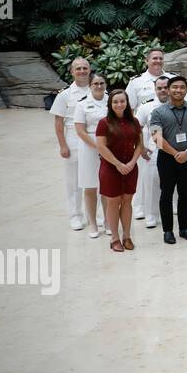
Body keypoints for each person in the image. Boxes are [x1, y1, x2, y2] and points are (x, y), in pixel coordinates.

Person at [151, 76, 187, 245]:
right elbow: (157, 137)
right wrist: (175, 154)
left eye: (182, 87)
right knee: (166, 194)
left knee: (185, 193)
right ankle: (167, 231)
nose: (178, 90)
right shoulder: (157, 112)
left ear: (186, 90)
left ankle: (184, 228)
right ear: (168, 89)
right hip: (167, 158)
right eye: (174, 87)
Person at [95, 87, 142, 252]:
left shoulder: (134, 122)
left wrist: (131, 163)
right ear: (110, 104)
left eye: (122, 101)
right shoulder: (103, 123)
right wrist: (118, 164)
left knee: (127, 202)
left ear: (127, 103)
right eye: (115, 101)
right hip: (110, 168)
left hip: (130, 168)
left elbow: (140, 145)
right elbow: (101, 147)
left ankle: (127, 236)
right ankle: (114, 238)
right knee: (113, 202)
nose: (119, 104)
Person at [51, 56, 93, 231]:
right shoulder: (65, 95)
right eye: (78, 68)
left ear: (89, 70)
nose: (82, 71)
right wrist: (62, 145)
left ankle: (95, 216)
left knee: (94, 180)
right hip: (73, 140)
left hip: (95, 141)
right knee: (73, 181)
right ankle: (75, 215)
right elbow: (58, 122)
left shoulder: (98, 90)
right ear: (71, 72)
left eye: (85, 68)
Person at [72, 73, 110, 238]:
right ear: (90, 85)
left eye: (102, 83)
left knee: (107, 186)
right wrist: (98, 146)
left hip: (110, 145)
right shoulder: (82, 104)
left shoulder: (111, 100)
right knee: (90, 186)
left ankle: (108, 221)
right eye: (95, 83)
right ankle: (93, 223)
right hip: (89, 147)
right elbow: (80, 130)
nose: (99, 86)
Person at [134, 75, 169, 230]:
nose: (163, 90)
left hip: (174, 151)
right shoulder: (146, 107)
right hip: (154, 151)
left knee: (175, 184)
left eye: (165, 87)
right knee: (152, 185)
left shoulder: (177, 104)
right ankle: (151, 215)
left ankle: (178, 212)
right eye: (159, 88)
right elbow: (136, 128)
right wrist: (140, 146)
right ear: (155, 89)